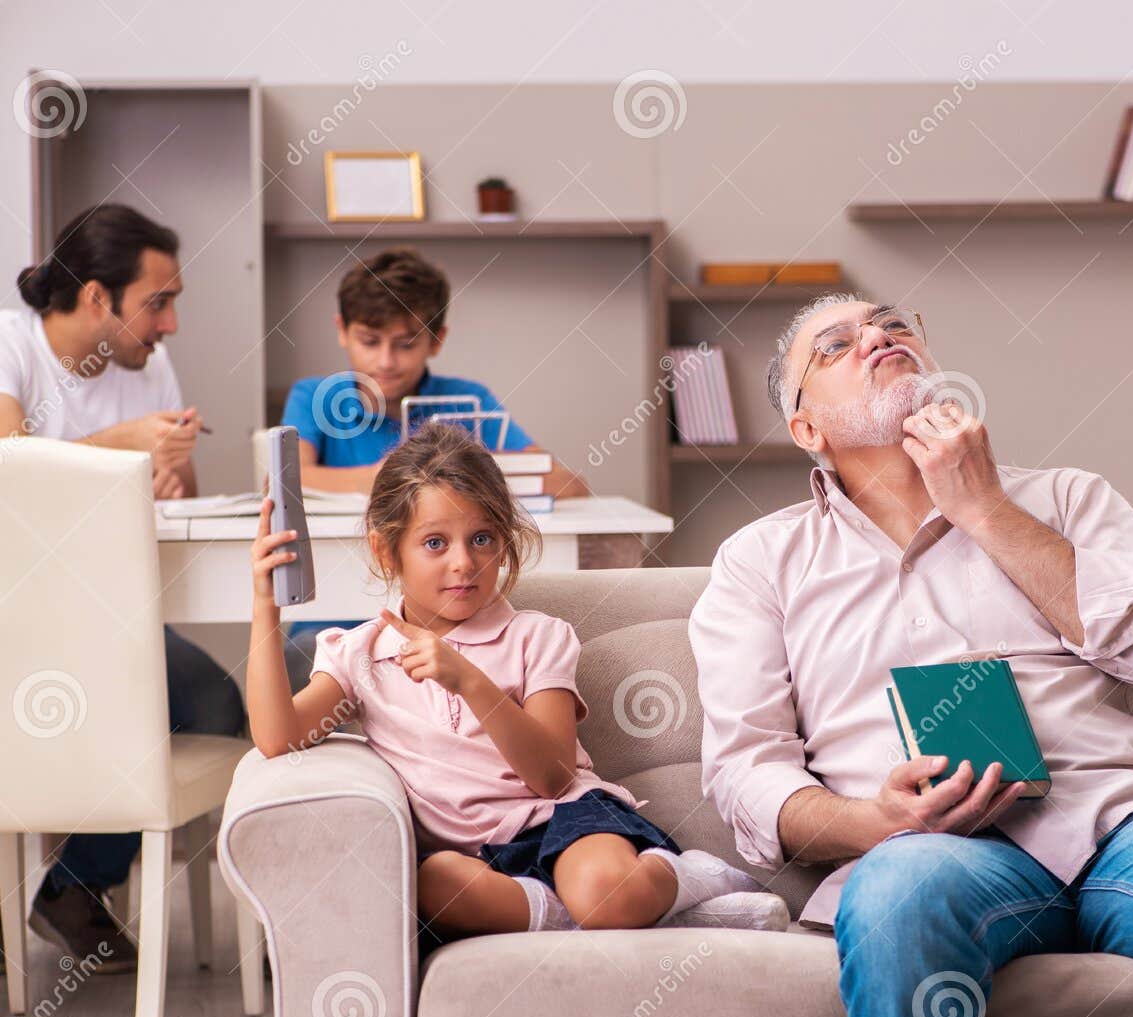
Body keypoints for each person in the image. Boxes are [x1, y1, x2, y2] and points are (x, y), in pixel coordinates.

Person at [688, 294, 1133, 1017]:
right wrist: (883, 822)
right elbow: (744, 770)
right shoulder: (760, 561)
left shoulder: (1069, 498)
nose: (877, 338)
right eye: (836, 345)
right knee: (894, 899)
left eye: (892, 324)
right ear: (808, 431)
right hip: (934, 854)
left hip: (1124, 826)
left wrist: (985, 508)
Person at [245, 421, 786, 939]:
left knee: (600, 886)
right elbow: (278, 736)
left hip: (565, 821)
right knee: (430, 885)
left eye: (482, 539)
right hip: (476, 858)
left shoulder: (537, 637)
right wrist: (265, 604)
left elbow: (551, 776)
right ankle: (591, 914)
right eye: (435, 543)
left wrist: (470, 682)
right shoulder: (359, 654)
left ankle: (691, 881)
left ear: (504, 542)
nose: (464, 563)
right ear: (388, 550)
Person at [0, 204, 245, 975]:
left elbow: (178, 496)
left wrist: (171, 468)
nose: (170, 324)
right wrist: (122, 446)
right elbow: (7, 464)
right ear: (99, 297)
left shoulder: (150, 367)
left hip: (115, 616)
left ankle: (72, 888)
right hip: (19, 621)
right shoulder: (10, 345)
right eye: (158, 302)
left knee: (212, 706)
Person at [277, 247, 589, 691]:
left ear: (436, 338)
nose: (386, 361)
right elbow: (286, 482)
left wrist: (469, 476)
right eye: (370, 341)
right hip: (338, 618)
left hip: (450, 627)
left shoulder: (466, 401)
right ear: (341, 330)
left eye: (405, 343)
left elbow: (569, 483)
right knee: (305, 658)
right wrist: (384, 476)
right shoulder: (315, 397)